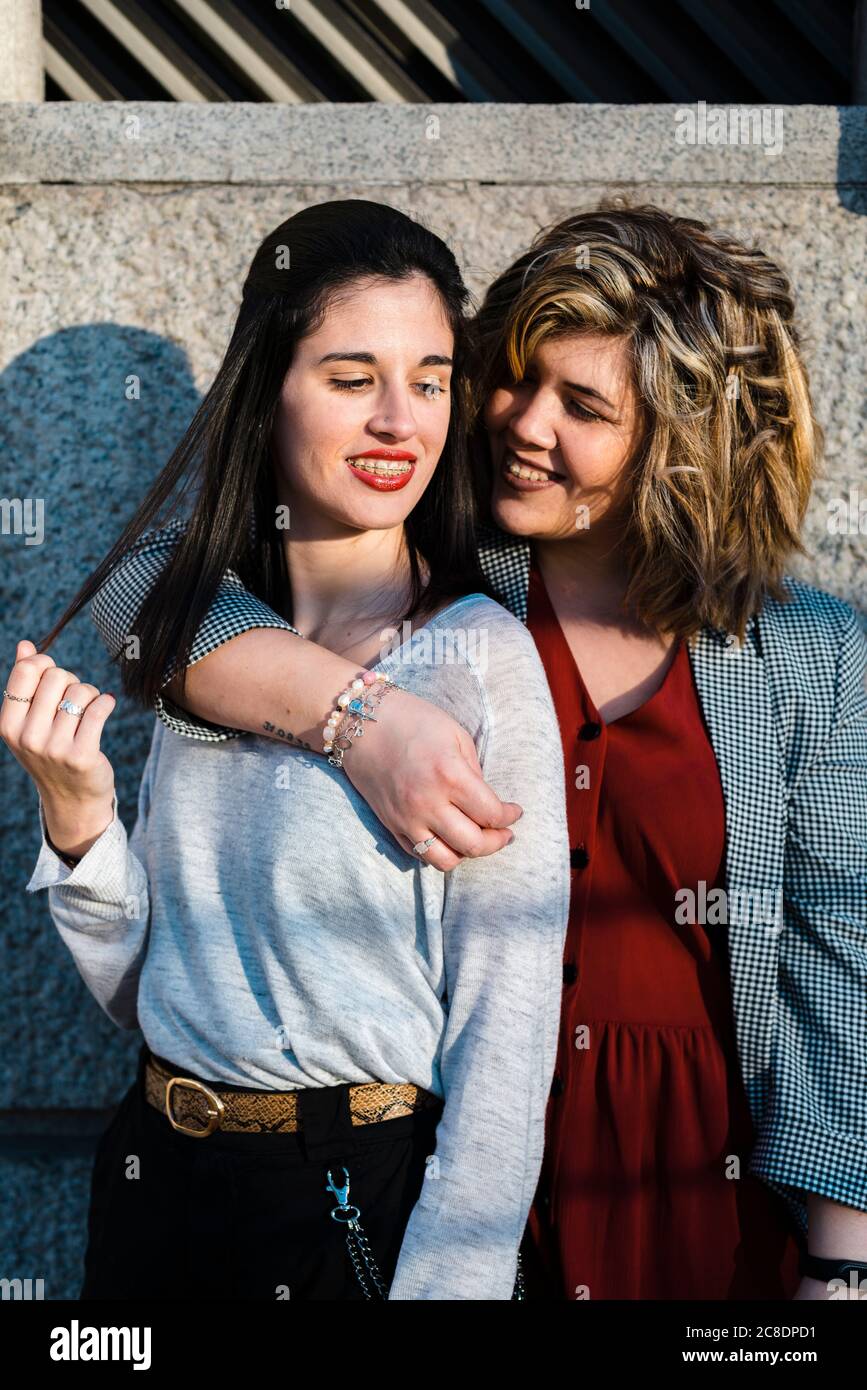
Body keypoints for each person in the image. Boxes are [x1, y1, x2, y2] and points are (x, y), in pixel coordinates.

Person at [78, 201, 867, 1301]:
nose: (519, 421)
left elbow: (840, 972)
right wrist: (362, 721)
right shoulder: (453, 576)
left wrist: (843, 1263)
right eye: (512, 378)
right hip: (455, 1166)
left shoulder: (809, 655)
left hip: (691, 1185)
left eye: (582, 405)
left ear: (682, 447)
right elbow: (143, 589)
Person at [3, 199, 571, 1301]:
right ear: (269, 393)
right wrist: (80, 825)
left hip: (348, 1199)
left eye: (433, 378)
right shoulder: (201, 635)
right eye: (352, 379)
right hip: (155, 1182)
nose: (400, 421)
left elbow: (507, 1052)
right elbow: (154, 999)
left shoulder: (477, 659)